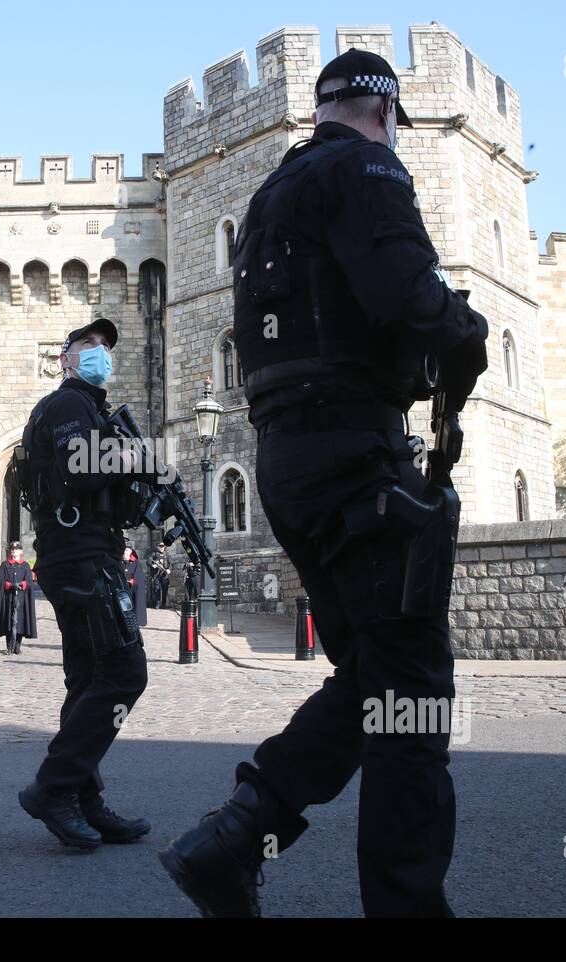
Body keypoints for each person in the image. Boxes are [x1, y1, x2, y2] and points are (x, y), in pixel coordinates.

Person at [159, 48, 488, 918]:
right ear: (384, 114)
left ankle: (237, 837)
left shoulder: (273, 194)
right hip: (353, 455)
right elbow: (406, 299)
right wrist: (466, 330)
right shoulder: (370, 166)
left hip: (285, 462)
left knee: (374, 677)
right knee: (412, 698)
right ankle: (407, 909)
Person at [15, 317, 155, 851]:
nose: (100, 352)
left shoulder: (92, 410)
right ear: (65, 357)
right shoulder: (69, 405)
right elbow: (80, 469)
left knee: (88, 677)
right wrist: (142, 459)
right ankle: (52, 788)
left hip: (80, 551)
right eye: (88, 344)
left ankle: (82, 798)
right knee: (123, 672)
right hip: (80, 556)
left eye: (105, 346)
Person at [0, 541, 38, 655]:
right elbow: (1, 582)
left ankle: (17, 646)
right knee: (9, 622)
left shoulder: (25, 565)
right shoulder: (5, 565)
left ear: (20, 551)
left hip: (21, 600)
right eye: (12, 549)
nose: (14, 551)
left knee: (20, 622)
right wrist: (9, 585)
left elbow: (29, 582)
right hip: (8, 599)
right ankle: (9, 647)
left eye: (17, 549)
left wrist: (22, 584)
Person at [122, 538, 147, 628]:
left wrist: (132, 581)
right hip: (122, 587)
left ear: (131, 552)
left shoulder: (135, 563)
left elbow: (138, 576)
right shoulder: (119, 561)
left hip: (132, 587)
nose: (126, 553)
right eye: (124, 551)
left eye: (127, 550)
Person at [146, 543, 171, 609]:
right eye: (160, 546)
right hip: (156, 574)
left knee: (165, 590)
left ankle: (163, 604)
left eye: (163, 546)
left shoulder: (166, 554)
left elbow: (171, 563)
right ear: (157, 546)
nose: (162, 547)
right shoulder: (154, 554)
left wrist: (169, 569)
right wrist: (152, 565)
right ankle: (157, 603)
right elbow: (148, 561)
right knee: (157, 589)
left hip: (164, 575)